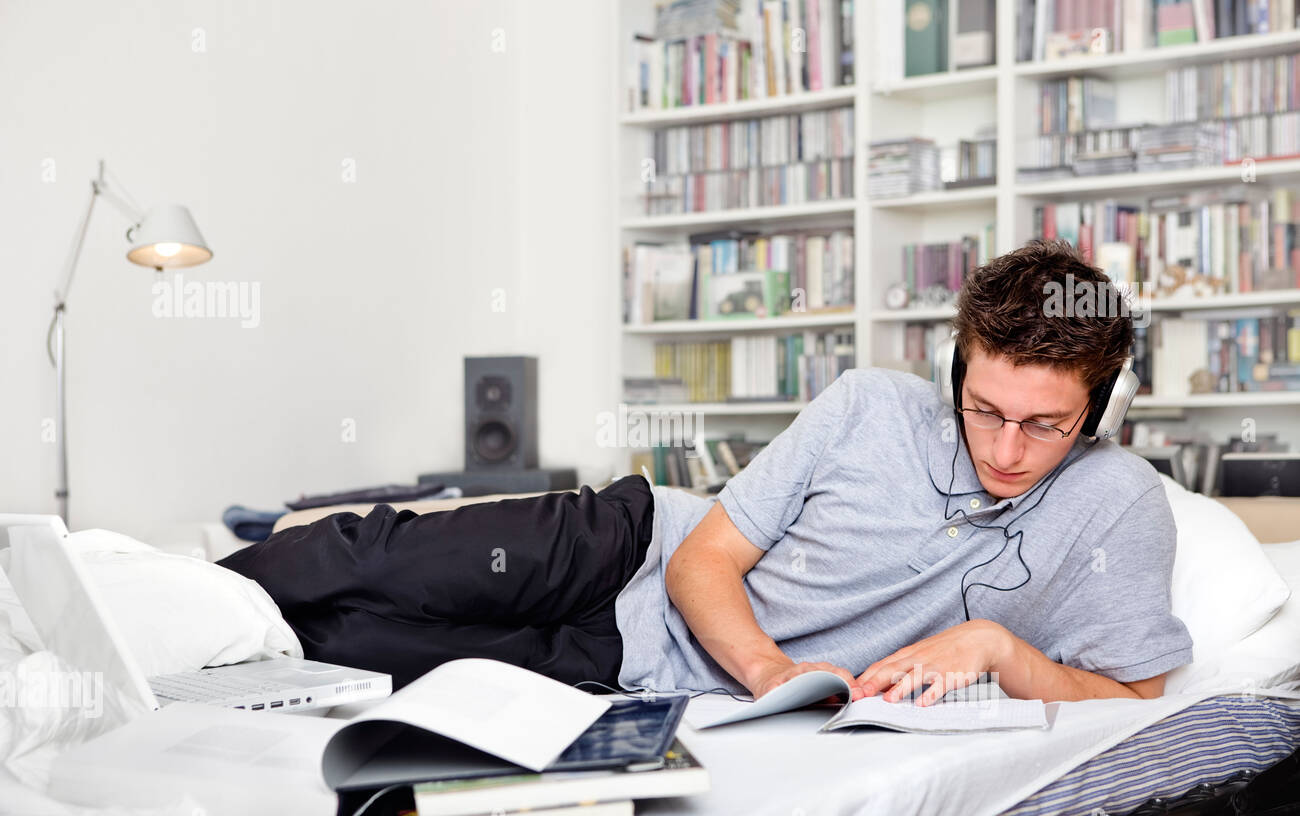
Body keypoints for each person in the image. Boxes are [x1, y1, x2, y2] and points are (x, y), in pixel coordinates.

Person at [220, 238, 1192, 705]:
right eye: (983, 409)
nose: (1004, 449)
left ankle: (184, 650)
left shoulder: (1115, 506)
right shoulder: (868, 404)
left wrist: (997, 647)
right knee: (376, 555)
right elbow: (702, 564)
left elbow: (1137, 701)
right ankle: (165, 596)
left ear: (1100, 409)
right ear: (953, 371)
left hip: (635, 663)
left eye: (1044, 424)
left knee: (353, 651)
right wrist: (772, 675)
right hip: (628, 549)